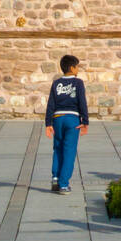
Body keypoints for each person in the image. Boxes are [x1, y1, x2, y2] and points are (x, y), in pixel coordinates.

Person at [44, 54, 89, 193]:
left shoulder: (56, 83)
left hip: (58, 118)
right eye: (77, 67)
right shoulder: (78, 83)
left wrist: (48, 123)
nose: (78, 70)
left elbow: (51, 103)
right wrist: (85, 121)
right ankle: (64, 184)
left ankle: (55, 178)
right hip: (72, 119)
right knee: (69, 151)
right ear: (71, 67)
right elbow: (82, 102)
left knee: (57, 148)